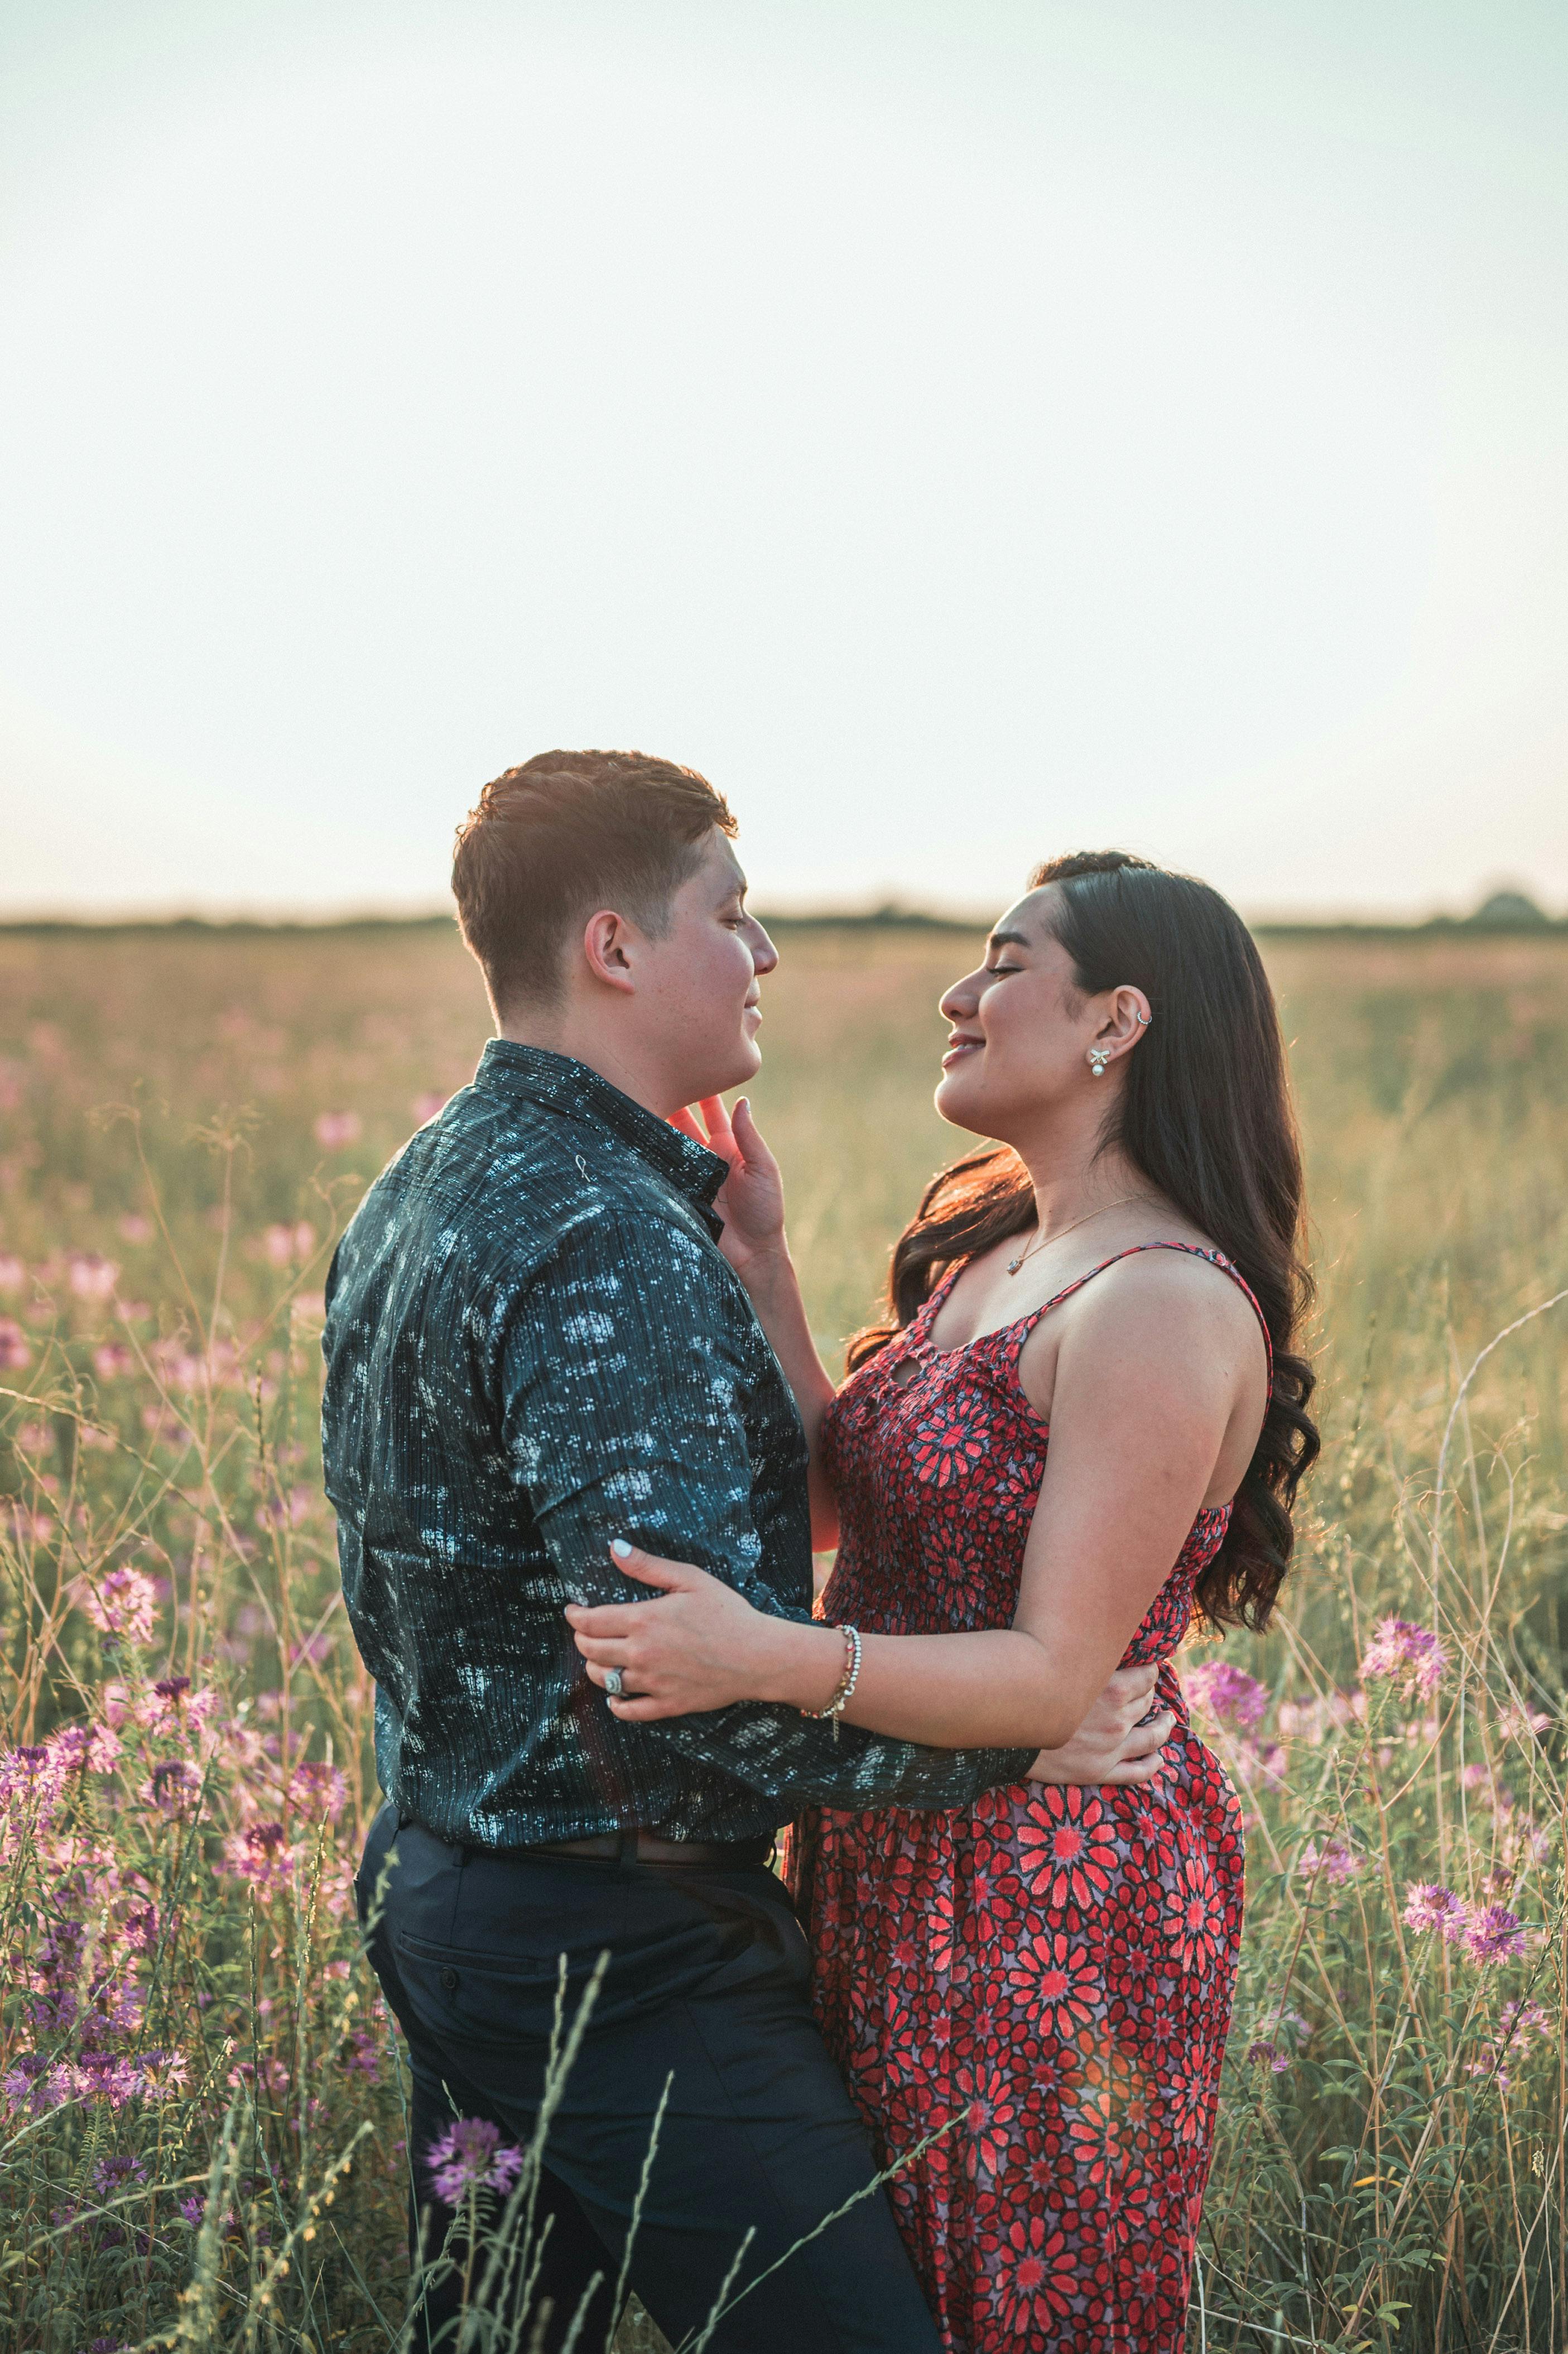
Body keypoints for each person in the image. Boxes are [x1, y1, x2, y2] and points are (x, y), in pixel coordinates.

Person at [321, 755, 1171, 2354]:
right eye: (731, 909)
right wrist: (1011, 1752)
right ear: (614, 947)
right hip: (616, 1946)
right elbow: (680, 1676)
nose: (766, 948)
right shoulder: (603, 1236)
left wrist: (766, 1268)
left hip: (446, 1889)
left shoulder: (419, 1184)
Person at [566, 851, 1321, 2354]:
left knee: (1013, 2298)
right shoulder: (999, 1249)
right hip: (900, 1835)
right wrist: (766, 1263)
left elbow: (1052, 1678)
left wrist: (754, 1658)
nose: (955, 995)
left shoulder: (1158, 1301)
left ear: (1116, 1020)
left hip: (1051, 1877)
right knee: (882, 2291)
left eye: (1001, 961)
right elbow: (841, 1498)